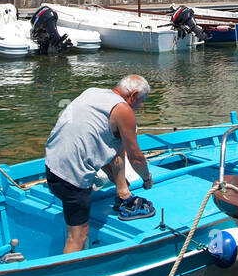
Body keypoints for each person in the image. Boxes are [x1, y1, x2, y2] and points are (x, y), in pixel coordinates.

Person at [44, 75, 155, 254]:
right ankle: (67, 275)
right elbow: (136, 158)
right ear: (133, 95)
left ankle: (122, 192)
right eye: (140, 102)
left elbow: (95, 141)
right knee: (78, 235)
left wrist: (114, 177)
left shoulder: (92, 92)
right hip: (72, 179)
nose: (139, 107)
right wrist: (147, 178)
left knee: (116, 136)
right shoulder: (124, 110)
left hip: (51, 167)